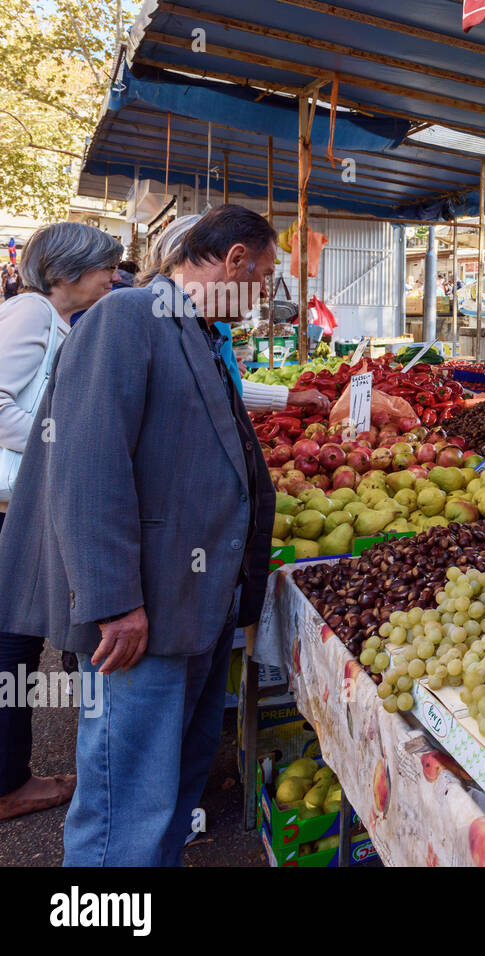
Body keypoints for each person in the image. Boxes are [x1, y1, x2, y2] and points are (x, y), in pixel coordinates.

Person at [0, 205, 279, 865]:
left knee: (167, 793)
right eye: (263, 277)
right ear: (234, 259)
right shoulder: (128, 320)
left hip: (193, 608)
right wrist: (111, 601)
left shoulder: (198, 335)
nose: (263, 294)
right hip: (144, 613)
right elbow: (87, 468)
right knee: (123, 800)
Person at [0, 221, 121, 823]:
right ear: (64, 273)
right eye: (106, 266)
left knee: (17, 638)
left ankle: (10, 774)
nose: (114, 277)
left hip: (23, 502)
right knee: (11, 641)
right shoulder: (29, 312)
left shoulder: (64, 323)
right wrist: (65, 442)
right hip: (7, 507)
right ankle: (8, 782)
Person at [138, 216, 329, 416]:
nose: (264, 291)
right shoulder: (138, 315)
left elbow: (222, 392)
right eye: (264, 275)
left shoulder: (216, 327)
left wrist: (288, 397)